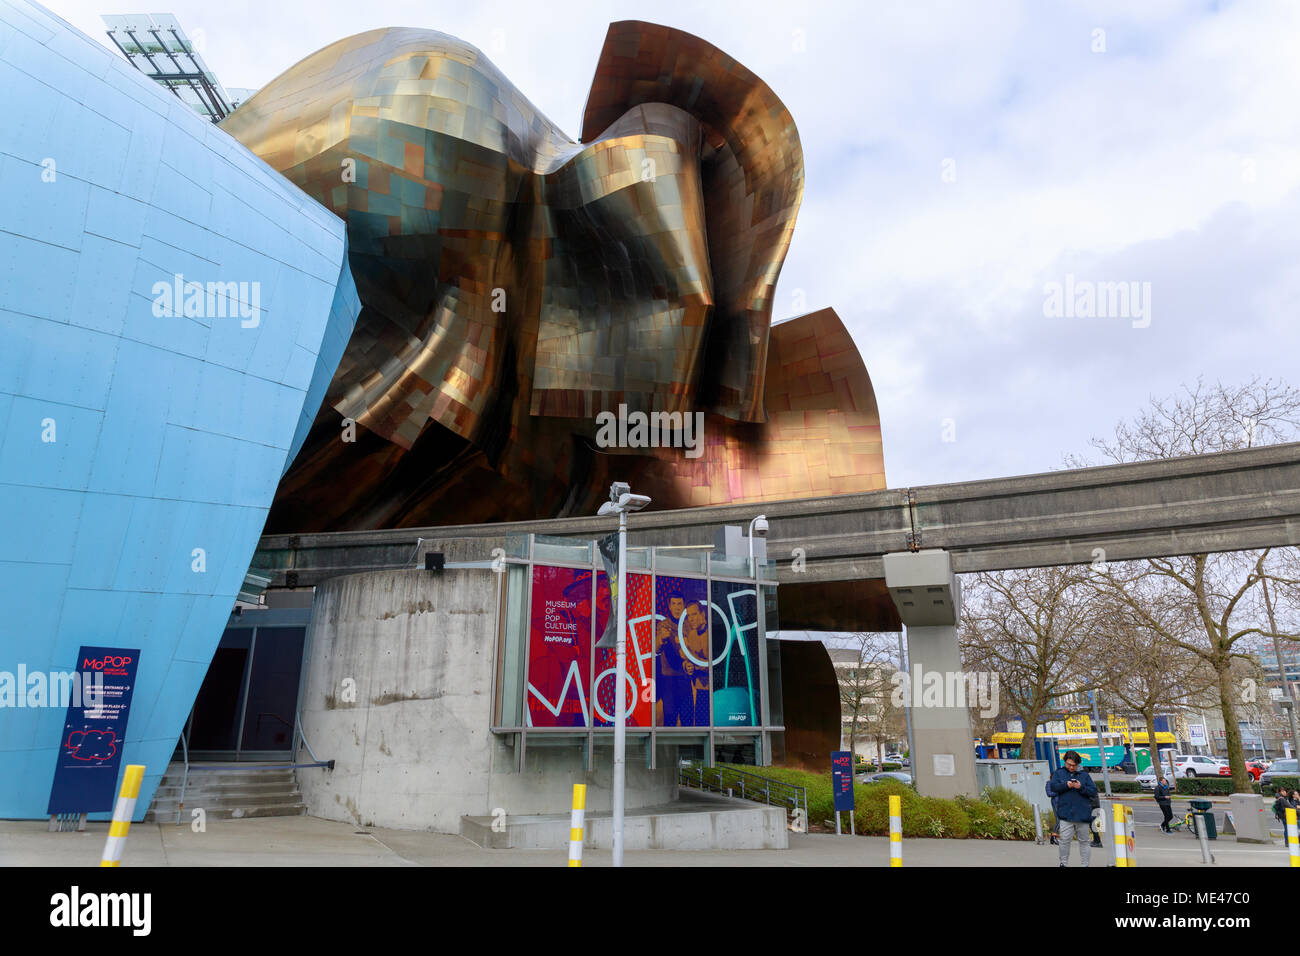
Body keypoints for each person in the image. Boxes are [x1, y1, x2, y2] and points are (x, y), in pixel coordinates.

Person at [1048, 751, 1099, 866]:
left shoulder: (1084, 775)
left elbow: (1093, 791)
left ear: (1078, 764)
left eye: (1074, 765)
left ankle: (1085, 864)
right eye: (1068, 764)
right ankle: (1063, 863)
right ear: (1065, 762)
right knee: (1064, 841)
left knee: (1084, 842)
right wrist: (1066, 785)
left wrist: (1081, 787)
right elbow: (1053, 787)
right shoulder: (1059, 773)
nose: (1071, 767)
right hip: (1066, 814)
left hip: (1083, 815)